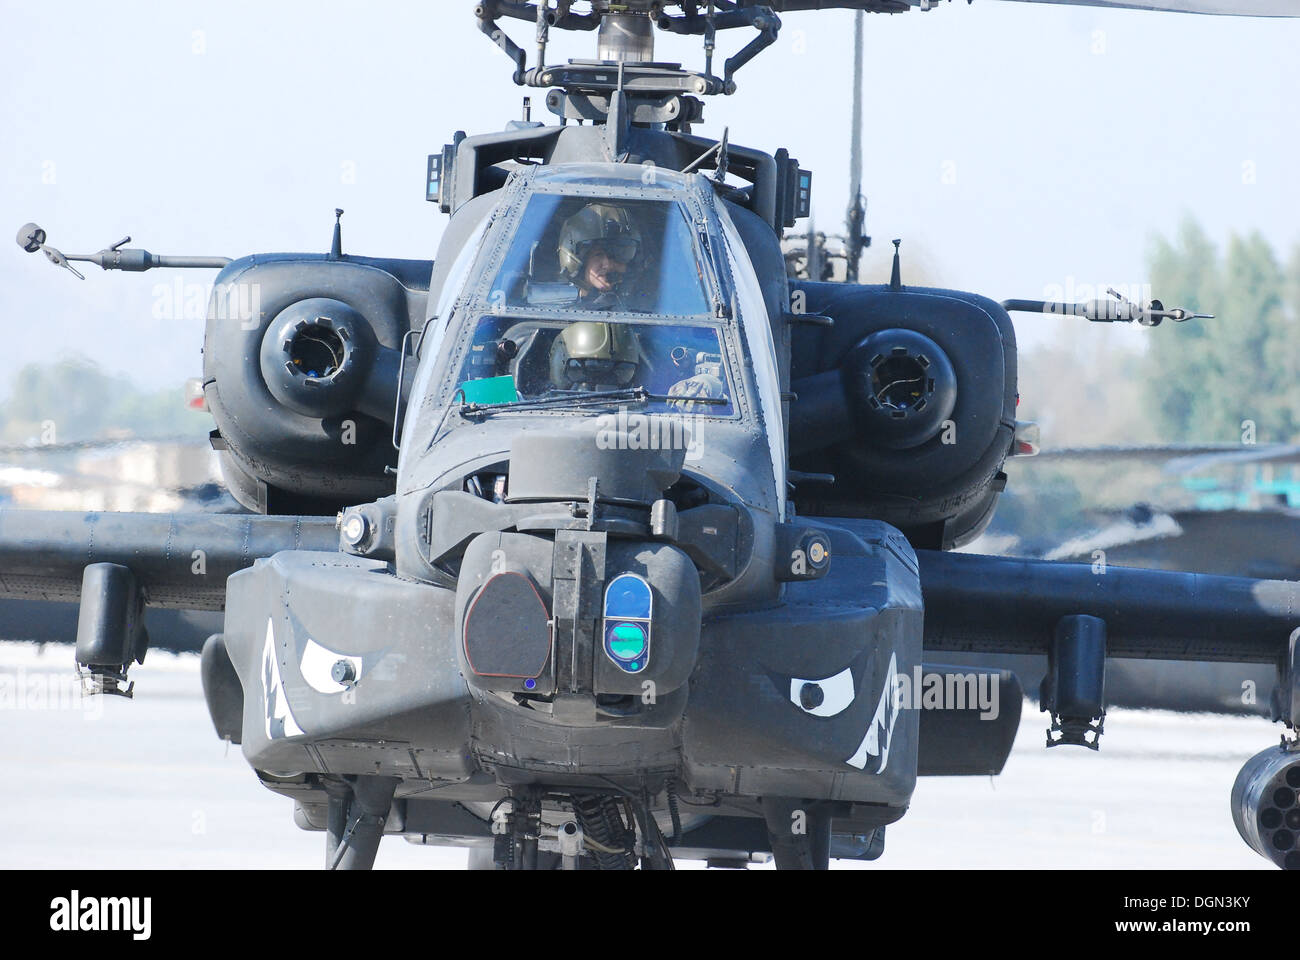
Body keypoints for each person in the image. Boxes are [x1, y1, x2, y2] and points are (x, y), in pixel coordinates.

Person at [556, 203, 643, 310]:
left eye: (614, 256)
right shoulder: (555, 308)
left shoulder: (641, 306)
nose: (607, 264)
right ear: (579, 261)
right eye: (598, 255)